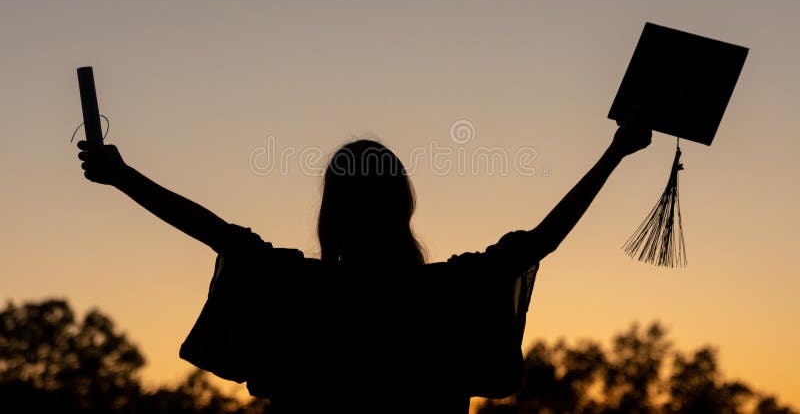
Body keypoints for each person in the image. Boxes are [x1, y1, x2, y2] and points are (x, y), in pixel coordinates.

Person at [76, 116, 650, 413]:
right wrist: (614, 154)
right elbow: (538, 241)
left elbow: (212, 230)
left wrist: (121, 176)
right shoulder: (446, 292)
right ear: (404, 206)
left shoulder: (299, 288)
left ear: (332, 211)